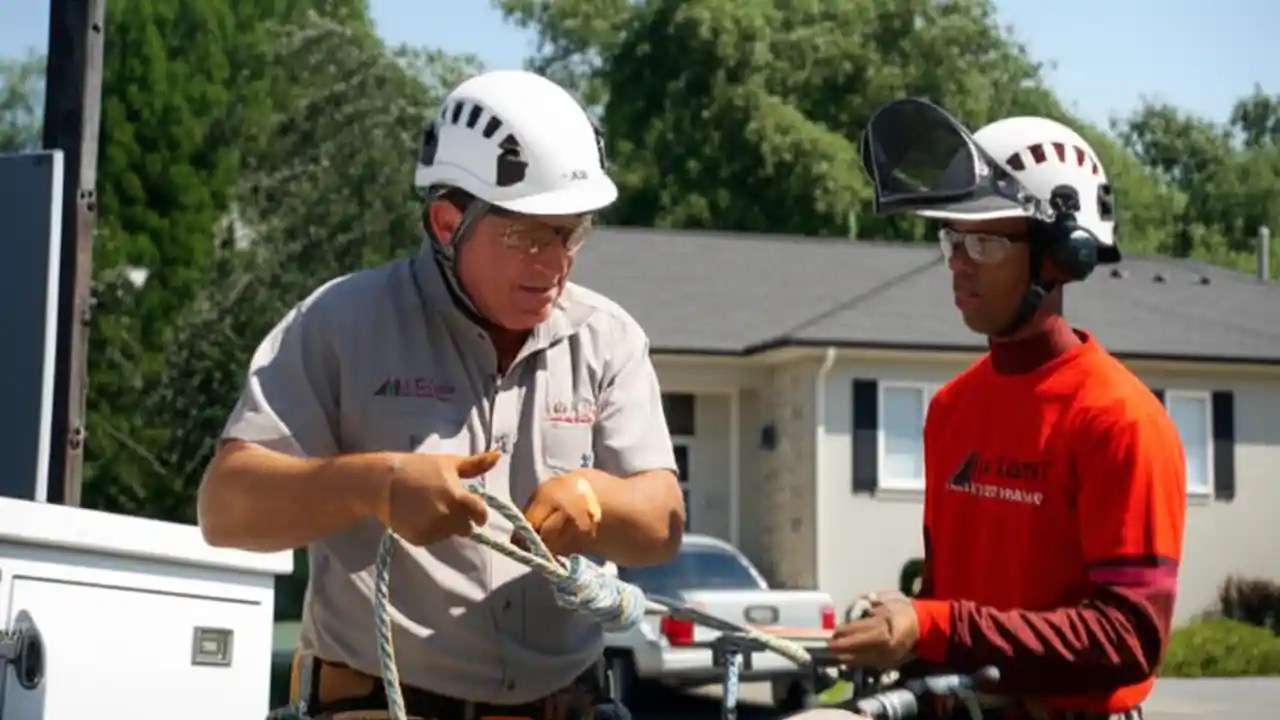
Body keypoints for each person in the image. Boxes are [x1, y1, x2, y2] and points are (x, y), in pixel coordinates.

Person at [197, 68, 685, 720]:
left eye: (570, 232)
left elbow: (663, 521)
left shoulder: (607, 339)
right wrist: (376, 485)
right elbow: (226, 509)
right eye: (526, 233)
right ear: (447, 221)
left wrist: (599, 501)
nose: (555, 261)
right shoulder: (340, 323)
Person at [817, 100, 1188, 720]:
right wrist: (901, 630)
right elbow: (952, 605)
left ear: (1060, 255)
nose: (958, 262)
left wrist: (933, 624)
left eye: (985, 240)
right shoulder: (952, 409)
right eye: (952, 239)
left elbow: (1129, 639)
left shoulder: (1120, 421)